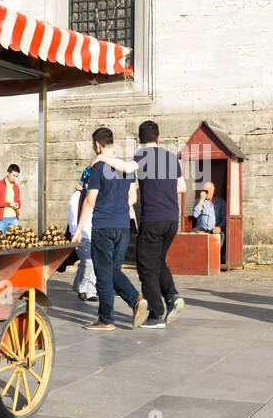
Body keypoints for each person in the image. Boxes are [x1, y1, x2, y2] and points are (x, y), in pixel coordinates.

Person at [98, 120, 187, 329]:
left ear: (139, 140)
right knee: (157, 261)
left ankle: (156, 315)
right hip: (172, 219)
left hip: (153, 219)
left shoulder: (141, 155)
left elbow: (127, 168)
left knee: (146, 267)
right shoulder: (171, 157)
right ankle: (172, 296)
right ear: (159, 138)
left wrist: (103, 157)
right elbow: (181, 187)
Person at [72, 126, 145, 330]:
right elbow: (132, 198)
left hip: (103, 226)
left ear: (97, 145)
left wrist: (78, 230)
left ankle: (106, 319)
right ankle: (136, 300)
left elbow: (90, 201)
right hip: (122, 225)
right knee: (113, 270)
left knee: (103, 273)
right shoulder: (124, 166)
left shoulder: (98, 167)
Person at [67, 166, 97, 301]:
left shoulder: (99, 195)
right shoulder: (78, 196)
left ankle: (90, 290)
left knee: (93, 263)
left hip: (96, 233)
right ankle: (82, 288)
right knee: (88, 262)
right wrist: (74, 233)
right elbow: (72, 217)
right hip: (81, 234)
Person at [0, 164, 22, 233]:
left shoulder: (16, 187)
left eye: (17, 176)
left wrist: (17, 205)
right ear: (8, 173)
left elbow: (18, 201)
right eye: (13, 175)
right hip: (0, 219)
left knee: (19, 239)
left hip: (14, 218)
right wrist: (9, 204)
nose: (15, 178)